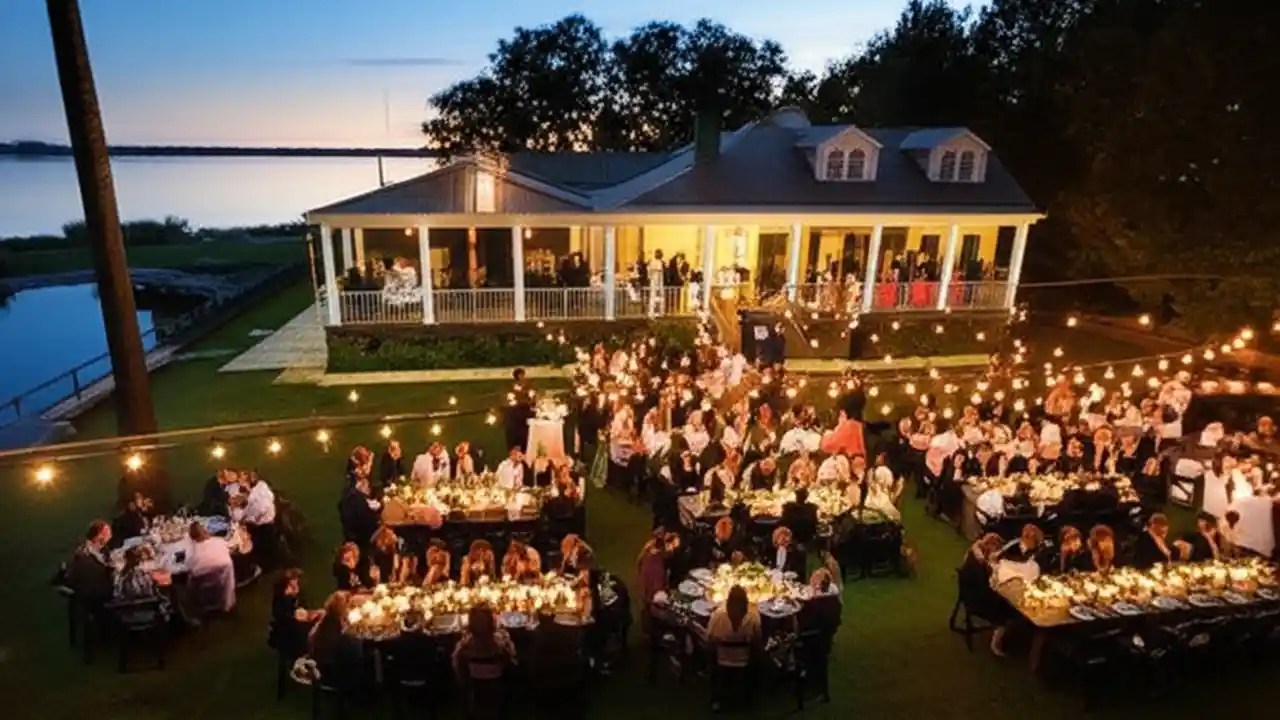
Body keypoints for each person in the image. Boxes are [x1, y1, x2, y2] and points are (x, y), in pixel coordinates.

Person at [705, 585, 762, 711]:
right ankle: (749, 697)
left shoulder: (718, 617)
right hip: (744, 661)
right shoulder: (752, 618)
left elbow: (709, 638)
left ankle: (716, 699)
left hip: (721, 660)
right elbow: (757, 640)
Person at [959, 533, 1014, 656]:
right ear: (990, 546)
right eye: (996, 547)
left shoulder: (972, 554)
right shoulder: (981, 564)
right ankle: (996, 642)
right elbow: (986, 586)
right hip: (977, 600)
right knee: (1007, 607)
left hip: (968, 593)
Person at [309, 592, 364, 690]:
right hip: (334, 674)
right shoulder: (341, 636)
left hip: (321, 666)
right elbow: (356, 652)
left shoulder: (322, 624)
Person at [269, 568, 322, 662]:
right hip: (289, 633)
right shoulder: (281, 601)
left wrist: (313, 613)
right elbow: (285, 618)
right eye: (291, 585)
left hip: (298, 626)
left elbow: (303, 609)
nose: (295, 587)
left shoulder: (297, 596)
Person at [452, 604, 517, 680]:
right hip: (476, 686)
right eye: (478, 620)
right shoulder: (465, 645)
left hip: (497, 685)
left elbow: (511, 664)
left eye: (482, 620)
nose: (481, 624)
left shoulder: (501, 641)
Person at [187, 521, 236, 612]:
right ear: (206, 531)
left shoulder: (191, 550)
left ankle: (195, 602)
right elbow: (232, 548)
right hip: (225, 580)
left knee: (191, 576)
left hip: (203, 583)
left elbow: (189, 567)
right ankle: (227, 604)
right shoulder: (219, 541)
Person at [114, 545, 173, 618]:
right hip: (143, 611)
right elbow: (144, 594)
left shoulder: (121, 576)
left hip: (130, 613)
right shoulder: (138, 575)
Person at [66, 519, 115, 606]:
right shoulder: (84, 555)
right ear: (99, 536)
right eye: (107, 533)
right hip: (92, 598)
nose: (110, 535)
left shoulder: (101, 549)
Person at [239, 471, 279, 571]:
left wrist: (248, 519)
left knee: (263, 547)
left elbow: (261, 509)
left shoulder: (257, 494)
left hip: (263, 526)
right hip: (266, 523)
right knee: (268, 546)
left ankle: (267, 567)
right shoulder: (262, 486)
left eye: (242, 479)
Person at [338, 475, 381, 547]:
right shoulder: (359, 501)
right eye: (368, 487)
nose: (369, 490)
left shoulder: (347, 495)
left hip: (350, 534)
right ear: (362, 485)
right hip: (362, 538)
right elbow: (370, 522)